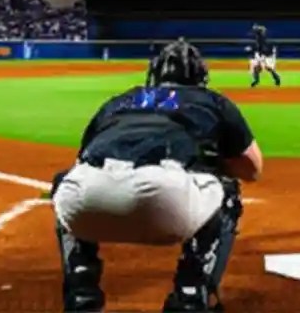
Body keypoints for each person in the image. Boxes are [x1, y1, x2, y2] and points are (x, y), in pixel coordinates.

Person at [51, 40, 263, 312]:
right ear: (200, 77)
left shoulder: (119, 101)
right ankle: (191, 293)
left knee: (65, 183)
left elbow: (82, 158)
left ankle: (81, 289)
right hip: (164, 200)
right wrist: (208, 163)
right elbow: (252, 169)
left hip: (84, 204)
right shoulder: (212, 101)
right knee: (227, 190)